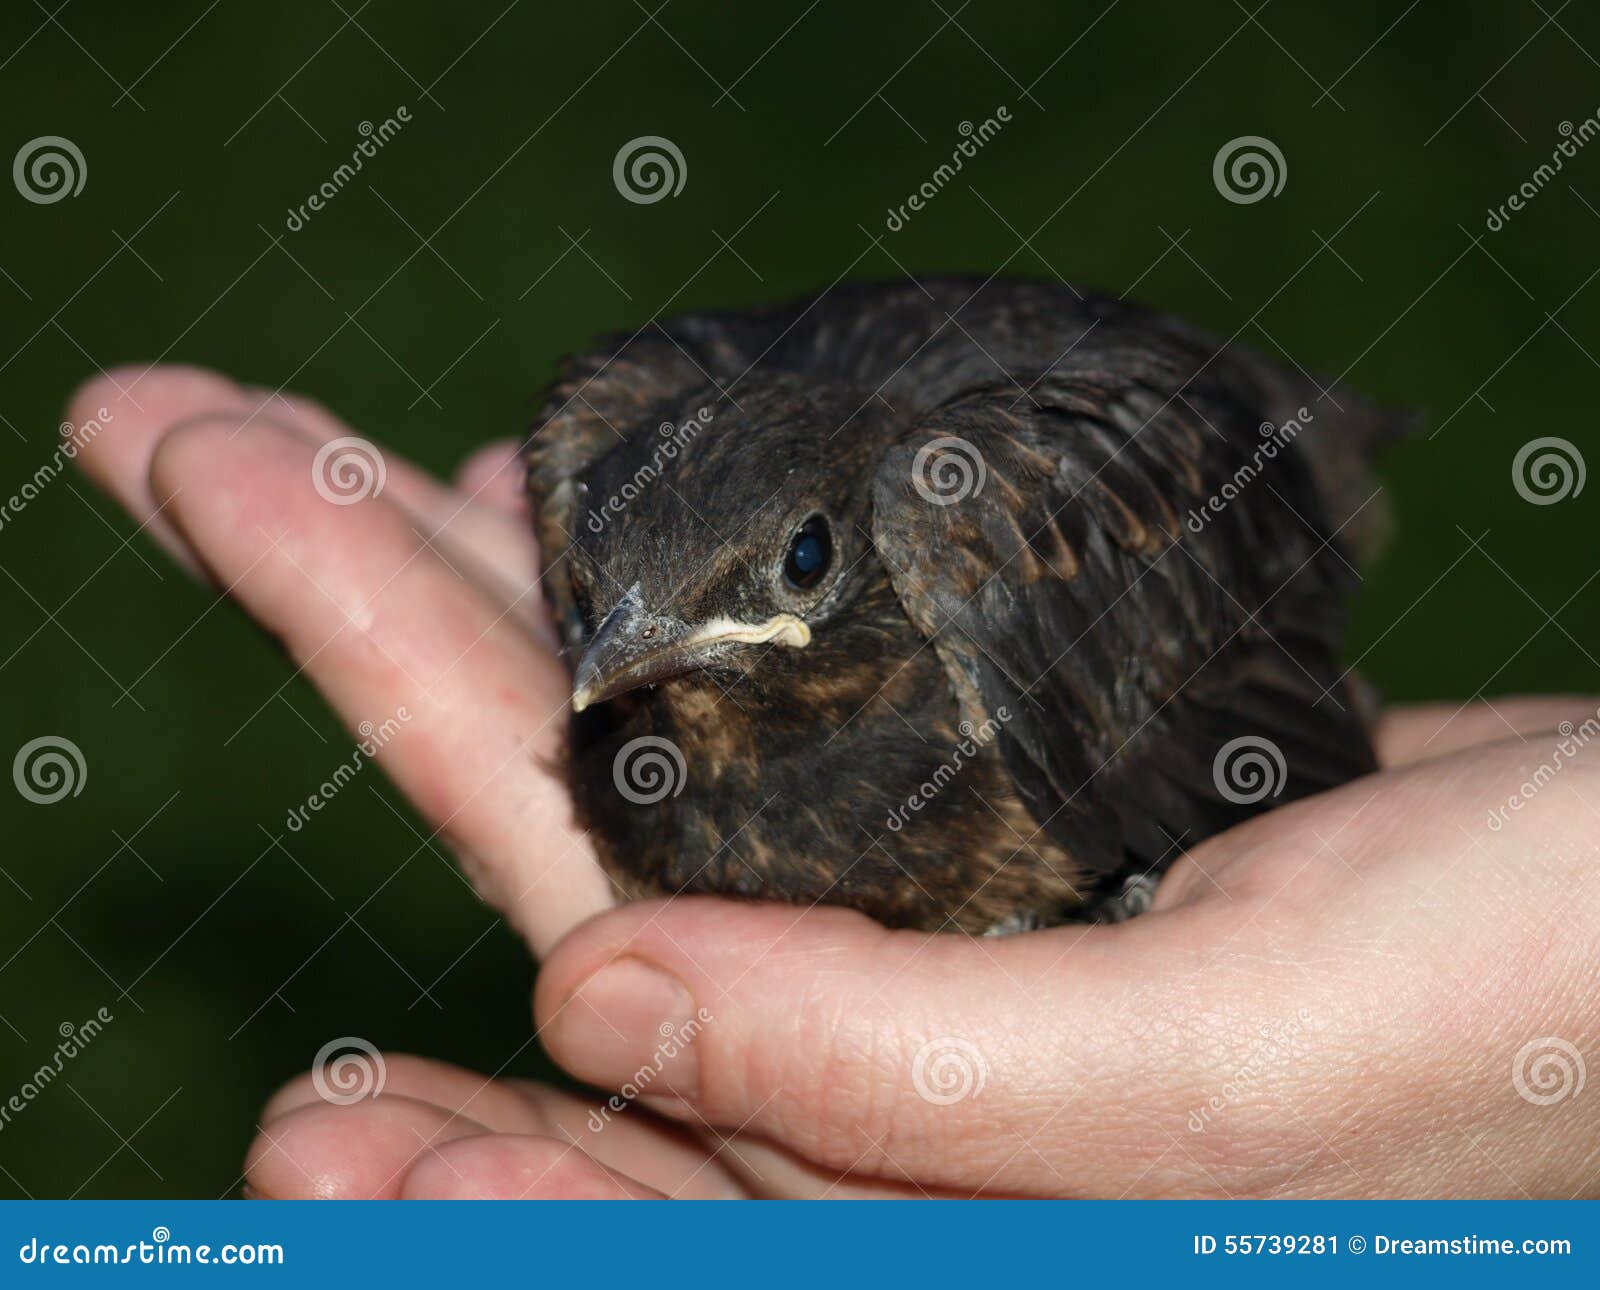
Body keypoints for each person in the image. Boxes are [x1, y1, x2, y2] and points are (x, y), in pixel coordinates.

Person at [68, 366, 1600, 1199]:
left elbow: (1266, 724)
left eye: (797, 569)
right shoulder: (618, 511)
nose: (612, 652)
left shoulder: (1005, 573)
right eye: (595, 596)